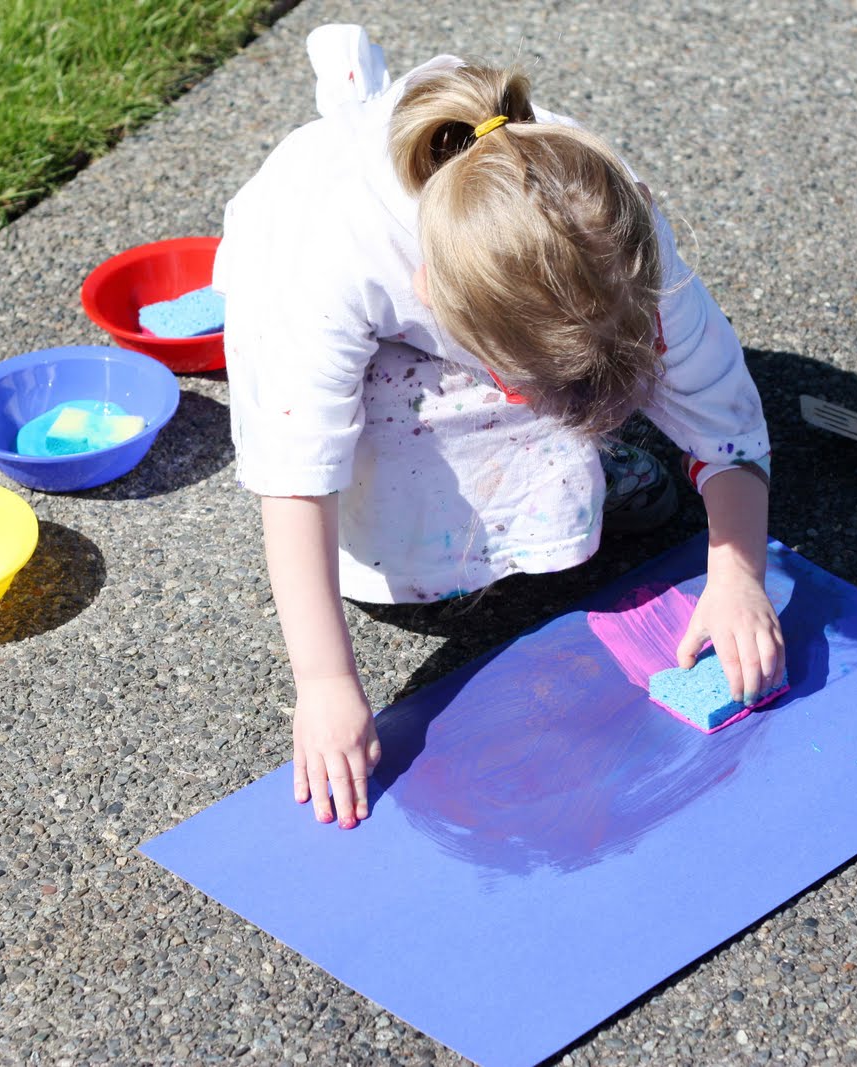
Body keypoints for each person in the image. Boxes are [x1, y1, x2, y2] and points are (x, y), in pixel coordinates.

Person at [211, 25, 785, 830]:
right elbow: (296, 470)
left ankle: (571, 457)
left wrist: (738, 573)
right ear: (432, 298)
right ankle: (447, 525)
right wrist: (325, 681)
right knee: (418, 452)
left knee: (577, 372)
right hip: (323, 293)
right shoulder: (322, 268)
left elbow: (723, 409)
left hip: (487, 297)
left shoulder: (607, 220)